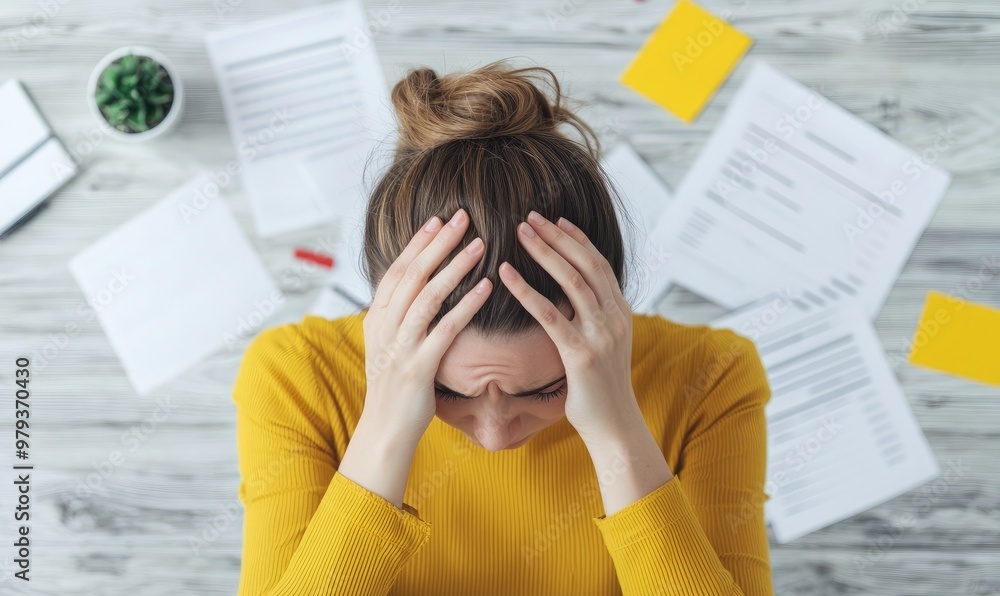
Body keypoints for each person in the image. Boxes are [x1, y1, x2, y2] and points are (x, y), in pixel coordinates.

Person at [232, 58, 774, 595]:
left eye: (544, 389)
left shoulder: (712, 377)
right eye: (443, 390)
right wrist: (386, 432)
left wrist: (617, 436)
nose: (494, 436)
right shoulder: (295, 377)